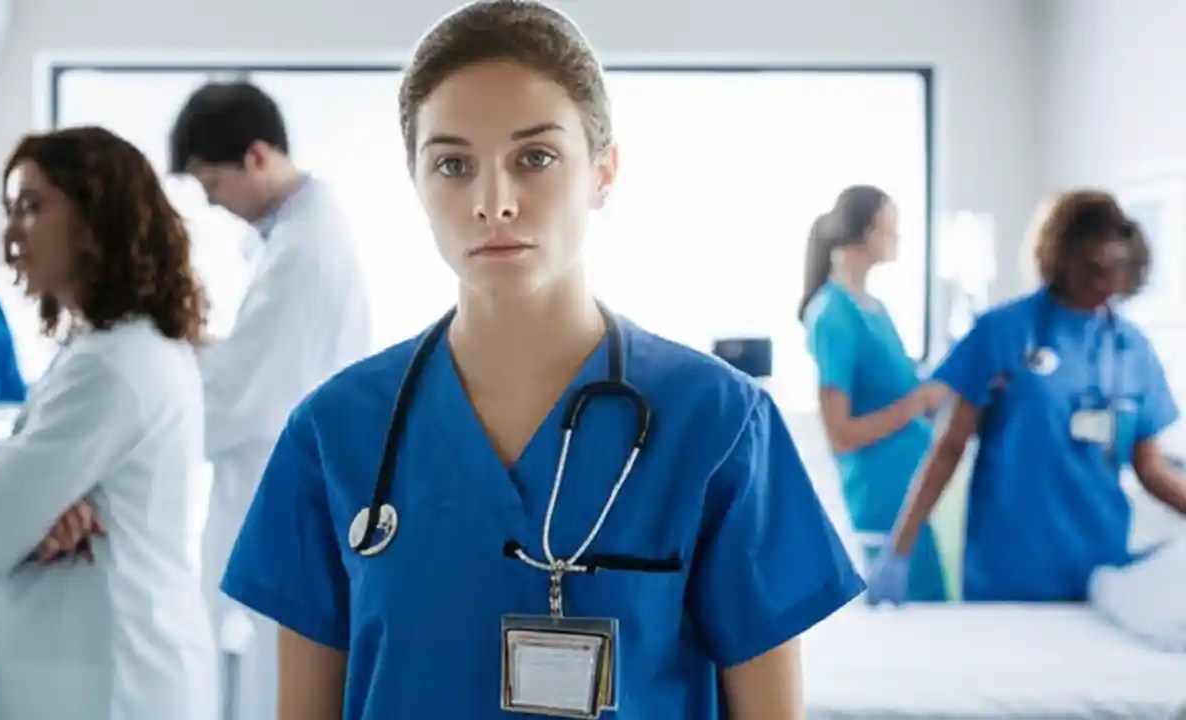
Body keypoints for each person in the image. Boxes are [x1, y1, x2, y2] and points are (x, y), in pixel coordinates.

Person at [220, 2, 865, 718]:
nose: (493, 202)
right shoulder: (334, 434)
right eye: (454, 164)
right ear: (416, 180)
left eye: (535, 158)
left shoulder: (717, 425)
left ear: (603, 171)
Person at [0, 126, 218, 718]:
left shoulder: (114, 365)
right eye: (9, 210)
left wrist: (5, 517)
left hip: (115, 685)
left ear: (96, 220)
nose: (10, 233)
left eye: (31, 207)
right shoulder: (110, 349)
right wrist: (23, 518)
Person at [869, 189, 1186, 605]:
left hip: (1099, 576)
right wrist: (900, 548)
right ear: (1064, 257)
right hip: (1008, 571)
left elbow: (1150, 468)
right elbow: (949, 447)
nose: (1104, 285)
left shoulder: (1133, 349)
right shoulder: (1003, 332)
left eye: (1115, 270)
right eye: (1093, 269)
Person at [169, 81, 372, 718]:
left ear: (257, 157)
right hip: (282, 489)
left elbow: (244, 399)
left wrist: (165, 372)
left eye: (214, 185)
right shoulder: (296, 234)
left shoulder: (303, 249)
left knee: (272, 683)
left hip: (281, 491)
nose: (213, 203)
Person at [798, 185, 949, 602]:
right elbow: (840, 433)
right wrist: (914, 405)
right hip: (880, 499)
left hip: (909, 492)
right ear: (865, 232)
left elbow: (898, 389)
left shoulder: (874, 309)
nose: (897, 239)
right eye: (890, 229)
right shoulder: (833, 315)